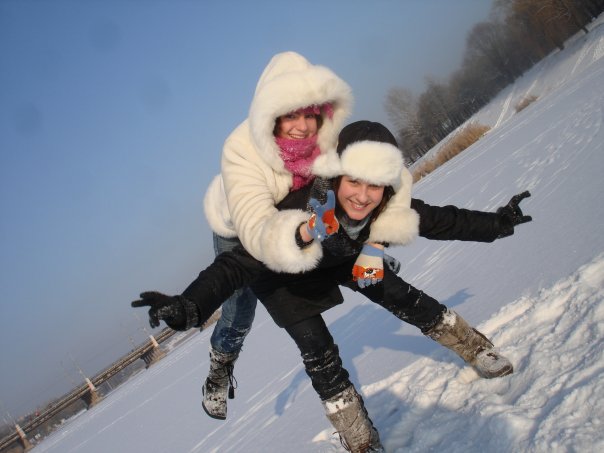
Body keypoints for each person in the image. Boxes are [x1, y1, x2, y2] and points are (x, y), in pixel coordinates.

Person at [133, 121, 532, 452]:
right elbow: (238, 264)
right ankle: (359, 438)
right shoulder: (300, 209)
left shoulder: (385, 207)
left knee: (399, 294)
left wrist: (498, 224)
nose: (363, 196)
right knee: (316, 349)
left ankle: (474, 347)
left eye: (375, 185)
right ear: (337, 174)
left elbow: (443, 220)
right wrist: (190, 305)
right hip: (283, 271)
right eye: (354, 181)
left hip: (340, 258)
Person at [200, 52, 403, 421]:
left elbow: (367, 187)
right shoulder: (242, 148)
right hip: (243, 226)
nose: (303, 126)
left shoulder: (326, 137)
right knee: (239, 310)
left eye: (310, 114)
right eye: (291, 115)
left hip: (291, 216)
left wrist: (373, 244)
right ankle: (220, 366)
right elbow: (257, 222)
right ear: (272, 114)